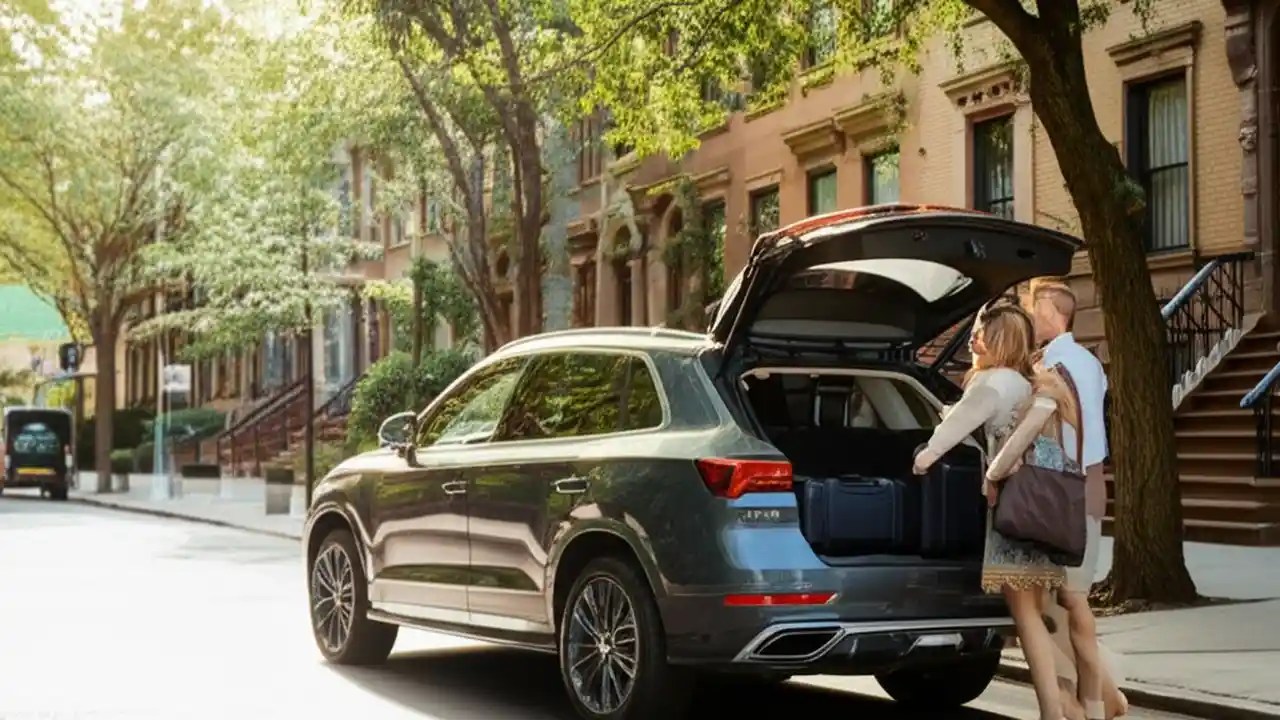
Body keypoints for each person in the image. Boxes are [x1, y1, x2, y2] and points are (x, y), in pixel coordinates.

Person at [912, 301, 1076, 720]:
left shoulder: (990, 383)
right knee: (1041, 614)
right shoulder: (1027, 383)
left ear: (999, 338)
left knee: (1027, 620)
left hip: (1014, 506)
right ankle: (1076, 707)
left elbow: (948, 434)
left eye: (982, 331)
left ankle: (1053, 714)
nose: (975, 338)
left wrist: (922, 459)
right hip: (1044, 507)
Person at [1027, 281, 1128, 719]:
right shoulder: (1091, 363)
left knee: (1049, 607)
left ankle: (1074, 704)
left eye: (1034, 309)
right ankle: (1099, 700)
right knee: (1072, 599)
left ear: (1052, 312)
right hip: (1090, 487)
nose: (1031, 317)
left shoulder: (1052, 366)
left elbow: (1056, 437)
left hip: (1057, 493)